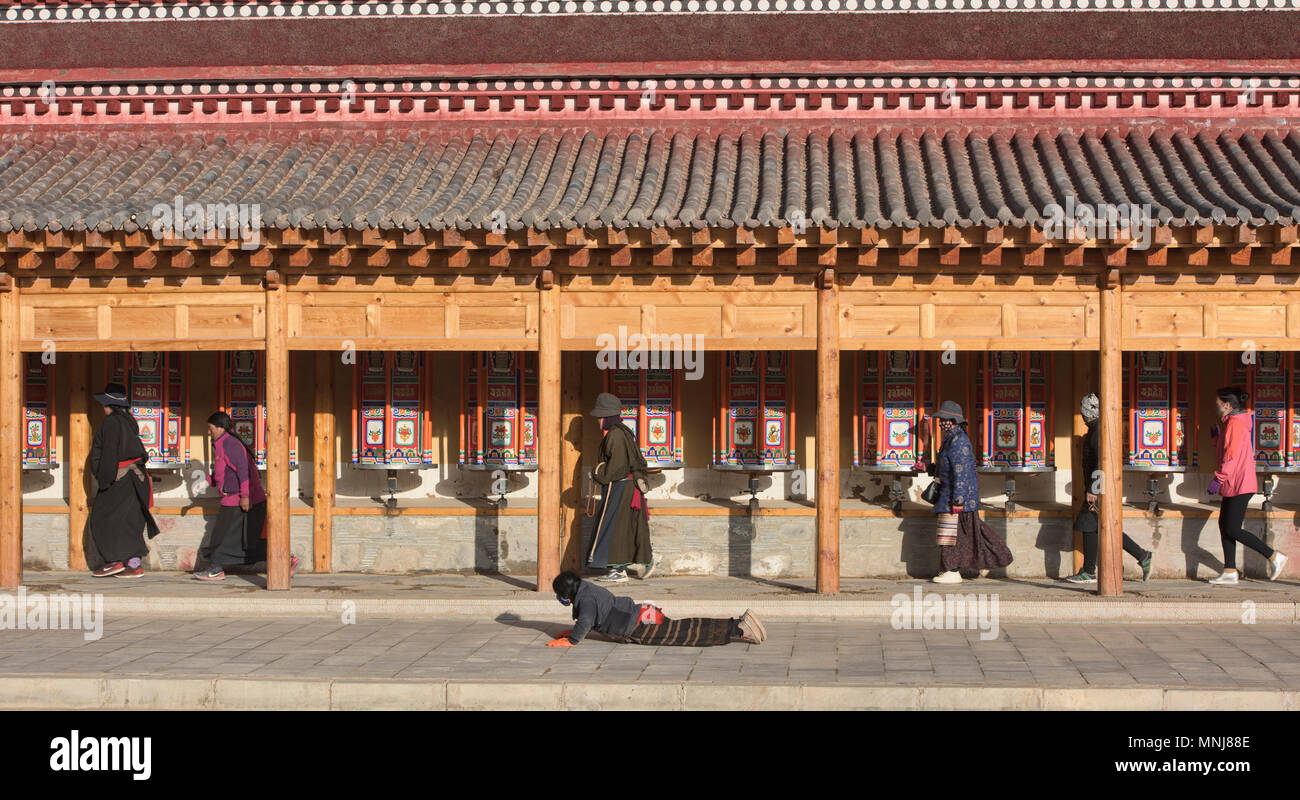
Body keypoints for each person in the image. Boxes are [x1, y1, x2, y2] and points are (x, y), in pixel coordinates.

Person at [914, 400, 1013, 584]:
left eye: (945, 419)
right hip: (949, 495)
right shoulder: (950, 439)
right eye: (941, 420)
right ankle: (959, 567)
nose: (942, 423)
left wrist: (958, 499)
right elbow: (948, 467)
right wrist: (928, 466)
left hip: (956, 498)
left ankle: (951, 570)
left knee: (951, 535)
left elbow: (962, 473)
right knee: (958, 534)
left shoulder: (959, 441)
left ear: (954, 421)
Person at [194, 411, 299, 581]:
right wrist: (206, 481)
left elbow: (244, 472)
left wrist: (245, 497)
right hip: (232, 499)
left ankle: (216, 568)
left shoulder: (230, 444)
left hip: (242, 500)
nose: (208, 432)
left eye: (210, 428)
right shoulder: (220, 444)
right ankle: (287, 560)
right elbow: (223, 472)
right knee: (244, 540)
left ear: (220, 428)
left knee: (225, 537)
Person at [1063, 392, 1153, 584]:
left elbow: (1099, 463)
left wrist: (1093, 490)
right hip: (1100, 488)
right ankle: (1142, 556)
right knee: (1099, 527)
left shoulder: (1097, 433)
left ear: (1087, 412)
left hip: (1098, 489)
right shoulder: (1097, 431)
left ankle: (1089, 571)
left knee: (1091, 524)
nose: (1082, 415)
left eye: (1083, 411)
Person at [545, 571, 764, 647]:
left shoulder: (586, 599)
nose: (561, 599)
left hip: (637, 624)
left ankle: (739, 628)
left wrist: (572, 640)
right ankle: (737, 624)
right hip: (640, 613)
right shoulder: (587, 588)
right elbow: (593, 618)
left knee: (687, 634)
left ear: (567, 593)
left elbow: (586, 621)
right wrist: (571, 632)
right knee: (683, 626)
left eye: (561, 595)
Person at [1206, 387, 1288, 585]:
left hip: (1239, 483)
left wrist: (1219, 478)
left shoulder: (1235, 424)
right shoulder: (1231, 423)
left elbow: (1232, 457)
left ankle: (1274, 556)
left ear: (1226, 406)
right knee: (1224, 526)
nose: (1215, 407)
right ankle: (1229, 571)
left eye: (1218, 404)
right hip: (1234, 483)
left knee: (1232, 529)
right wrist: (1216, 439)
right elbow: (1228, 450)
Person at [86, 383, 158, 578]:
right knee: (130, 521)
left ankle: (114, 561)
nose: (103, 408)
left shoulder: (111, 422)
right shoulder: (129, 421)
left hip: (119, 478)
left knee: (103, 518)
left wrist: (105, 480)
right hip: (136, 478)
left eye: (104, 404)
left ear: (109, 404)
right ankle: (134, 565)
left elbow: (109, 452)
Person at [585, 392, 653, 583]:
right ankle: (624, 566)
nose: (598, 421)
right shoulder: (623, 431)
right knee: (622, 528)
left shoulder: (615, 435)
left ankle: (618, 570)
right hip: (628, 487)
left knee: (613, 529)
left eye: (599, 417)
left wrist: (597, 473)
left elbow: (617, 467)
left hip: (620, 487)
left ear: (606, 417)